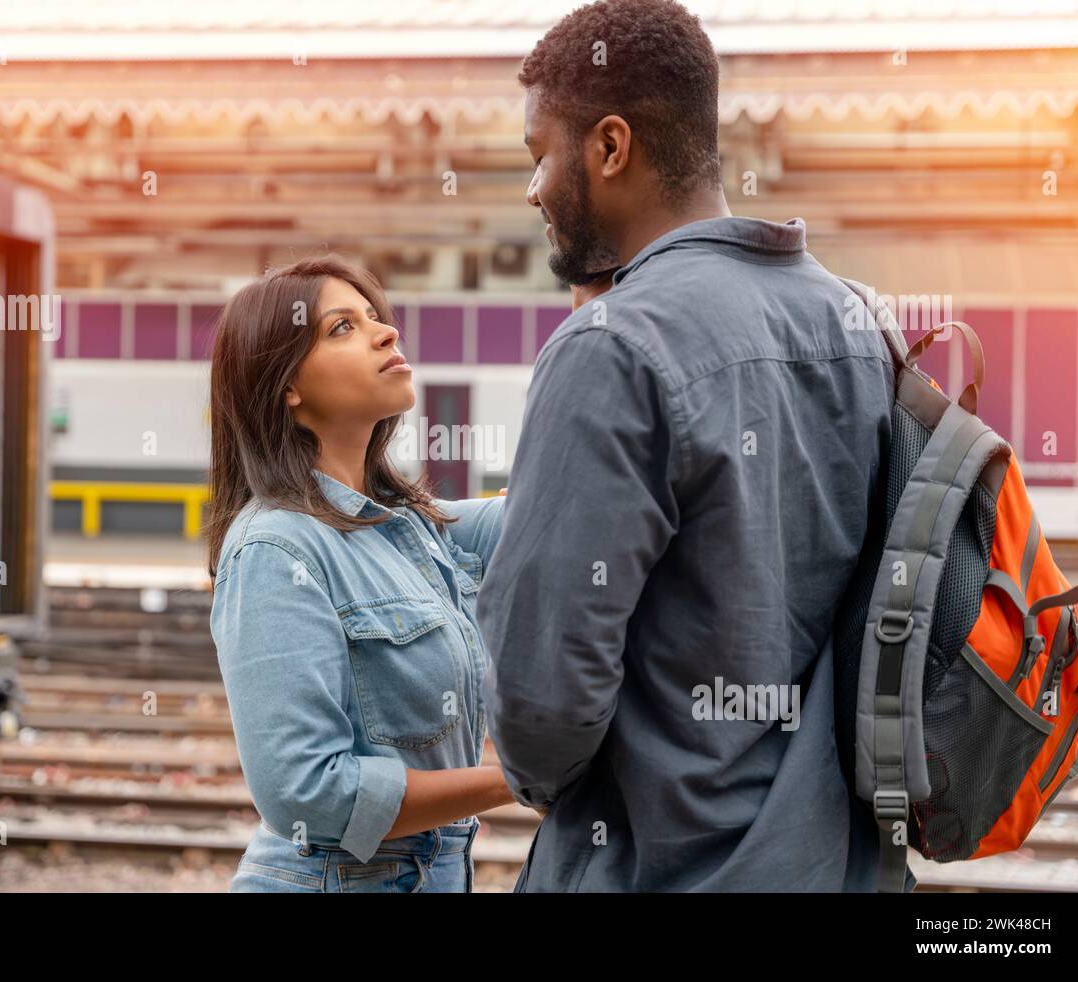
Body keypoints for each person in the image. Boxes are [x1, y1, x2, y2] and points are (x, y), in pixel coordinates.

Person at [477, 0, 915, 891]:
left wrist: (540, 775)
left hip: (663, 867)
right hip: (846, 866)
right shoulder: (858, 322)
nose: (531, 189)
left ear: (609, 147)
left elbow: (542, 699)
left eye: (538, 155)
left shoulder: (613, 347)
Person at [206, 255, 510, 892]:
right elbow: (307, 794)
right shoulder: (275, 550)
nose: (387, 332)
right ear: (287, 385)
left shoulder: (410, 527)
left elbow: (554, 511)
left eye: (377, 316)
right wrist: (519, 777)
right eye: (342, 327)